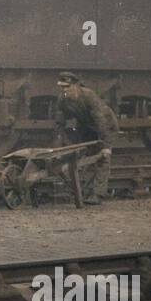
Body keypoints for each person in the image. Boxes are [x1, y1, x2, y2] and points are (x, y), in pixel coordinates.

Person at [53, 72, 119, 204]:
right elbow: (59, 122)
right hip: (86, 125)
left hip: (106, 124)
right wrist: (59, 142)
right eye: (62, 88)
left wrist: (106, 146)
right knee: (80, 154)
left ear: (76, 86)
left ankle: (98, 194)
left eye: (67, 87)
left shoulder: (88, 95)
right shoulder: (62, 99)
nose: (64, 90)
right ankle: (81, 189)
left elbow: (101, 121)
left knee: (102, 158)